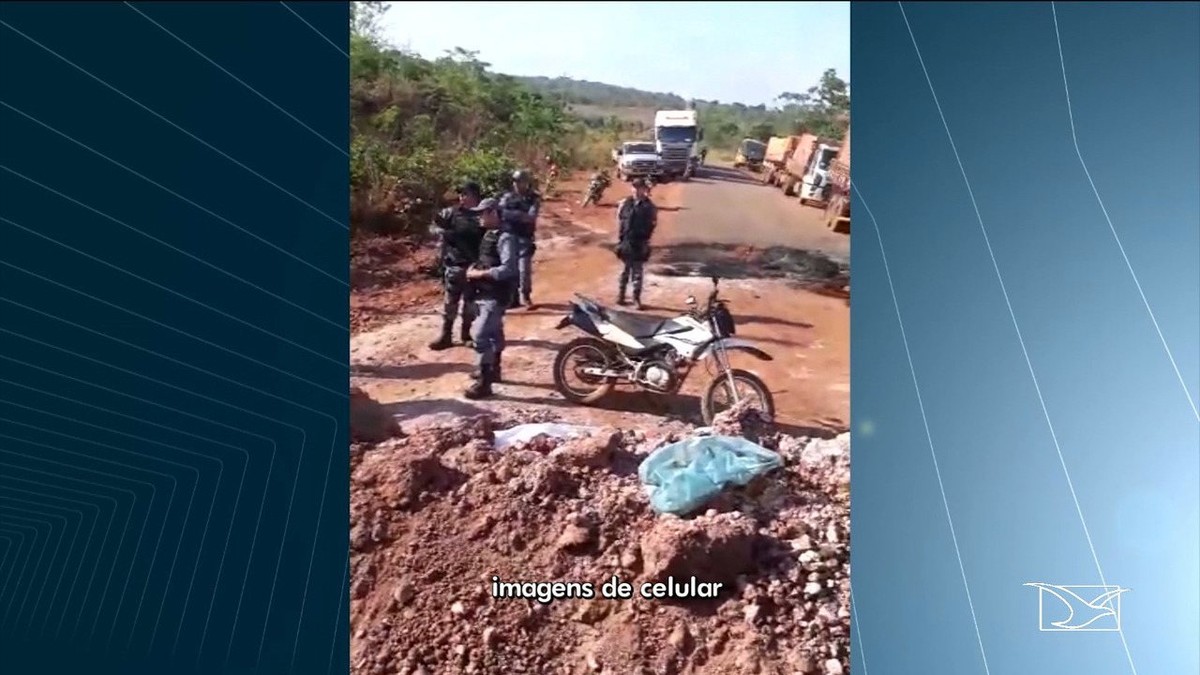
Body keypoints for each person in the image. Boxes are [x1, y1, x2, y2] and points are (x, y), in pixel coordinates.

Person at [463, 198, 518, 399]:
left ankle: (484, 384)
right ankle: (493, 370)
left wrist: (480, 275)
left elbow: (508, 269)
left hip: (496, 293)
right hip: (486, 292)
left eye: (483, 213)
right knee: (494, 333)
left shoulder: (505, 238)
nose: (479, 217)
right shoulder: (490, 234)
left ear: (493, 213)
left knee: (481, 335)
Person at [428, 182, 485, 351]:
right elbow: (432, 227)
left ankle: (466, 335)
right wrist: (442, 233)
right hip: (454, 266)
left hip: (473, 268)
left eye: (466, 194)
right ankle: (446, 336)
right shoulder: (451, 213)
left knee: (470, 305)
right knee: (449, 304)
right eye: (460, 194)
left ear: (475, 196)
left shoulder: (482, 216)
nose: (462, 197)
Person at [498, 169, 541, 309]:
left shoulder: (533, 197)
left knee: (524, 269)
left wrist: (513, 215)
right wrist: (520, 215)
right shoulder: (507, 197)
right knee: (510, 268)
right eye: (515, 181)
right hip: (509, 235)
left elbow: (531, 217)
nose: (517, 184)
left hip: (525, 238)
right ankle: (512, 298)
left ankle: (526, 296)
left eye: (520, 181)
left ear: (526, 182)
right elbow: (501, 213)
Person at [615, 178, 657, 309]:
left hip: (640, 242)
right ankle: (621, 296)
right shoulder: (625, 203)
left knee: (637, 272)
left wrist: (646, 242)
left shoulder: (649, 207)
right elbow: (620, 220)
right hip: (626, 241)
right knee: (624, 271)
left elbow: (652, 224)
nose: (636, 190)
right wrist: (621, 239)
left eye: (639, 188)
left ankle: (636, 298)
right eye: (634, 187)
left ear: (645, 190)